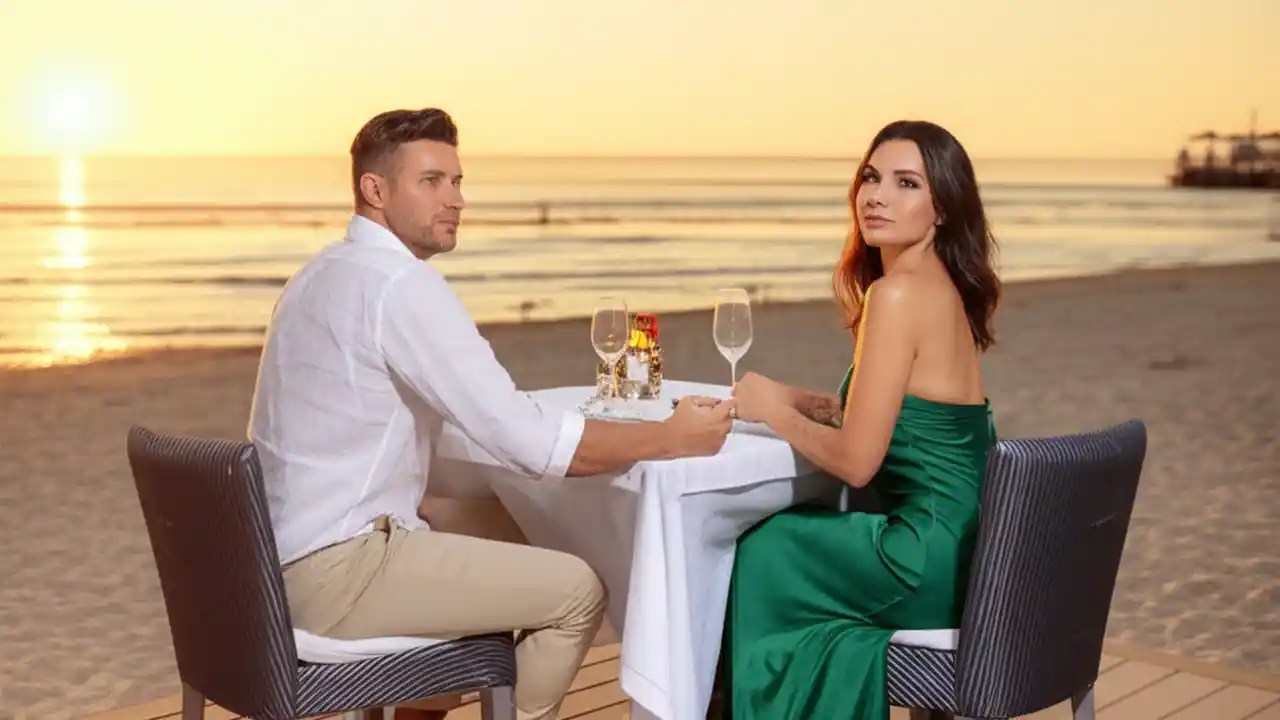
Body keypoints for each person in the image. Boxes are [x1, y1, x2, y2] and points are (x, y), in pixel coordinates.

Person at [247, 108, 734, 720]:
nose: (455, 199)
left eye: (456, 181)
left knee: (505, 522)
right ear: (375, 190)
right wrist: (668, 437)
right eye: (431, 182)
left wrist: (527, 437)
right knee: (577, 591)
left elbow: (409, 431)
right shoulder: (400, 286)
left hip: (275, 568)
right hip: (339, 576)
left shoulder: (317, 275)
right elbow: (529, 443)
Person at [725, 120, 1001, 719]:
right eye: (871, 178)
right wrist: (799, 399)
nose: (877, 195)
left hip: (922, 561)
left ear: (943, 209)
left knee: (760, 547)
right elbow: (901, 418)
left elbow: (856, 461)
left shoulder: (896, 296)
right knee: (793, 540)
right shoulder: (941, 288)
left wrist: (773, 413)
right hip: (968, 554)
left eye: (906, 183)